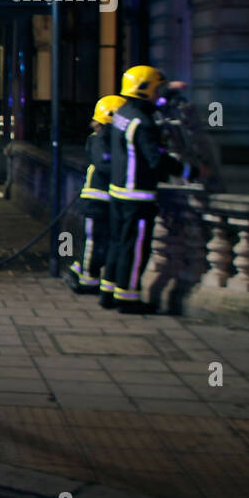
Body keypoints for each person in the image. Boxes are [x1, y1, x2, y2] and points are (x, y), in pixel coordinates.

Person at [105, 65, 191, 313]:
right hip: (137, 196)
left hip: (117, 192)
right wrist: (189, 171)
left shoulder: (123, 111)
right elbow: (155, 160)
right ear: (144, 90)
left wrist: (169, 90)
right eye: (155, 89)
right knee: (134, 249)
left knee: (118, 244)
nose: (157, 95)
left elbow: (154, 104)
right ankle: (128, 299)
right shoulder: (143, 122)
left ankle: (108, 293)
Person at [69, 95, 125, 295]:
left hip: (105, 199)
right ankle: (87, 280)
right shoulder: (98, 139)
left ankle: (79, 269)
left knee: (101, 241)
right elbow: (103, 164)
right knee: (94, 240)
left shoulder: (108, 139)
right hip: (95, 198)